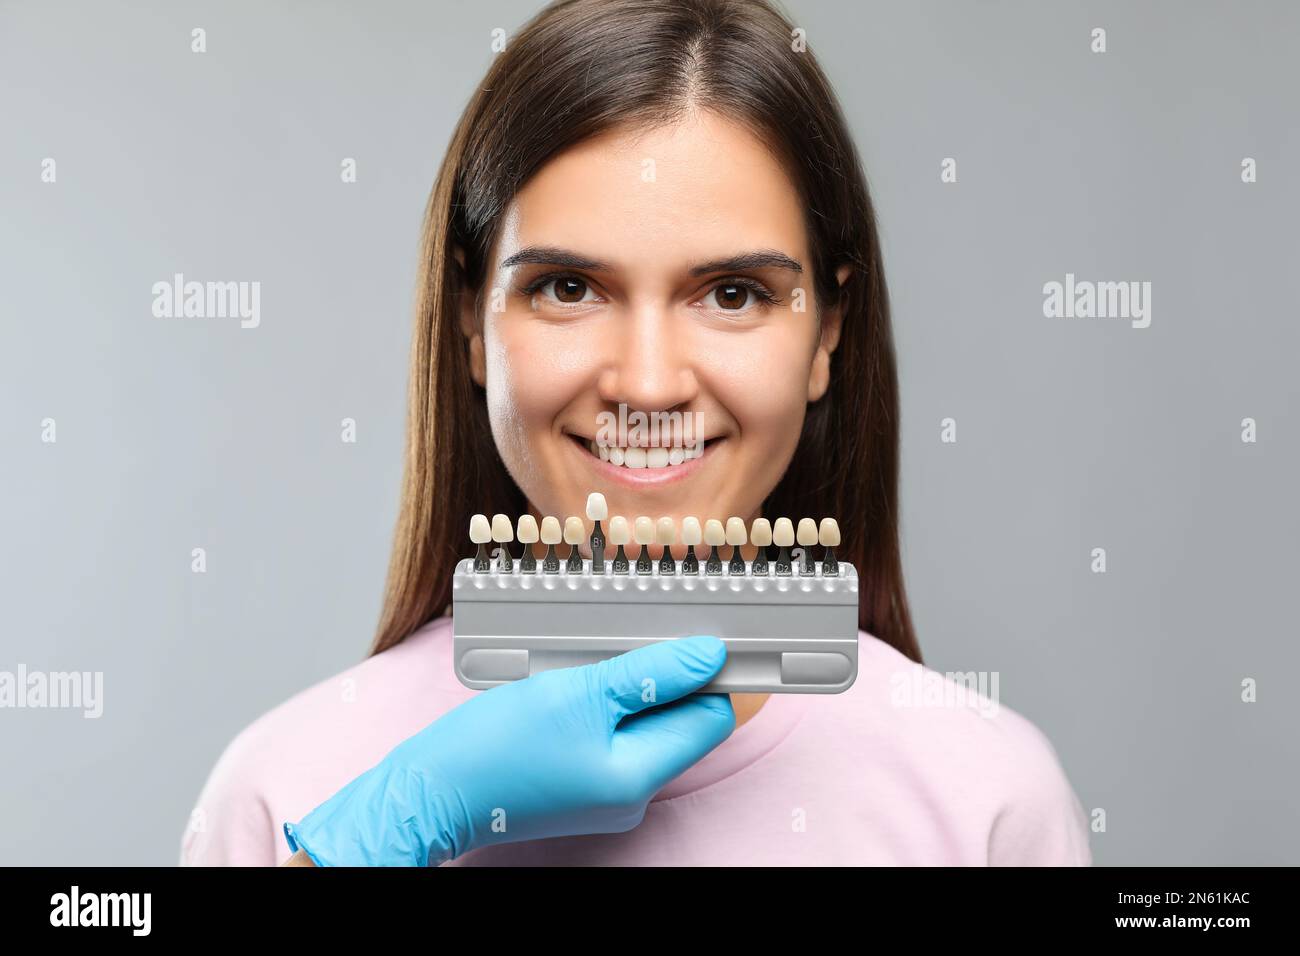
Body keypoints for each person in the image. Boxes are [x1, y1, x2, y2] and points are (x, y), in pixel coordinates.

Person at [183, 0, 1091, 867]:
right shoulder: (287, 790)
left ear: (826, 335)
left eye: (732, 294)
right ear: (471, 318)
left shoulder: (986, 802)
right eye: (569, 289)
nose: (648, 385)